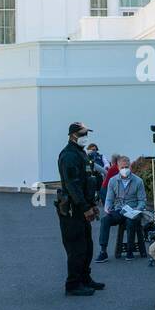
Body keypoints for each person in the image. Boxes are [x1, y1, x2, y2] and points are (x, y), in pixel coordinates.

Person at [56, 122, 105, 296]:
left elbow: (88, 181)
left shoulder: (80, 153)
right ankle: (73, 284)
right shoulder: (69, 155)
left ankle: (85, 278)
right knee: (76, 247)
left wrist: (92, 205)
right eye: (83, 133)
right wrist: (85, 207)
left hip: (83, 205)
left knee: (87, 246)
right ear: (73, 135)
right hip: (72, 209)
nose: (86, 136)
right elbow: (72, 185)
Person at [96, 155, 147, 262]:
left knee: (130, 221)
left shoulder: (138, 181)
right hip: (119, 210)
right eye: (122, 167)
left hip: (133, 211)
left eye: (127, 167)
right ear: (118, 168)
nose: (125, 169)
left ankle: (130, 251)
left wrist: (137, 210)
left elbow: (142, 200)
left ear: (130, 167)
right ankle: (103, 251)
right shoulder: (113, 181)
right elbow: (109, 198)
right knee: (105, 220)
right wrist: (107, 208)